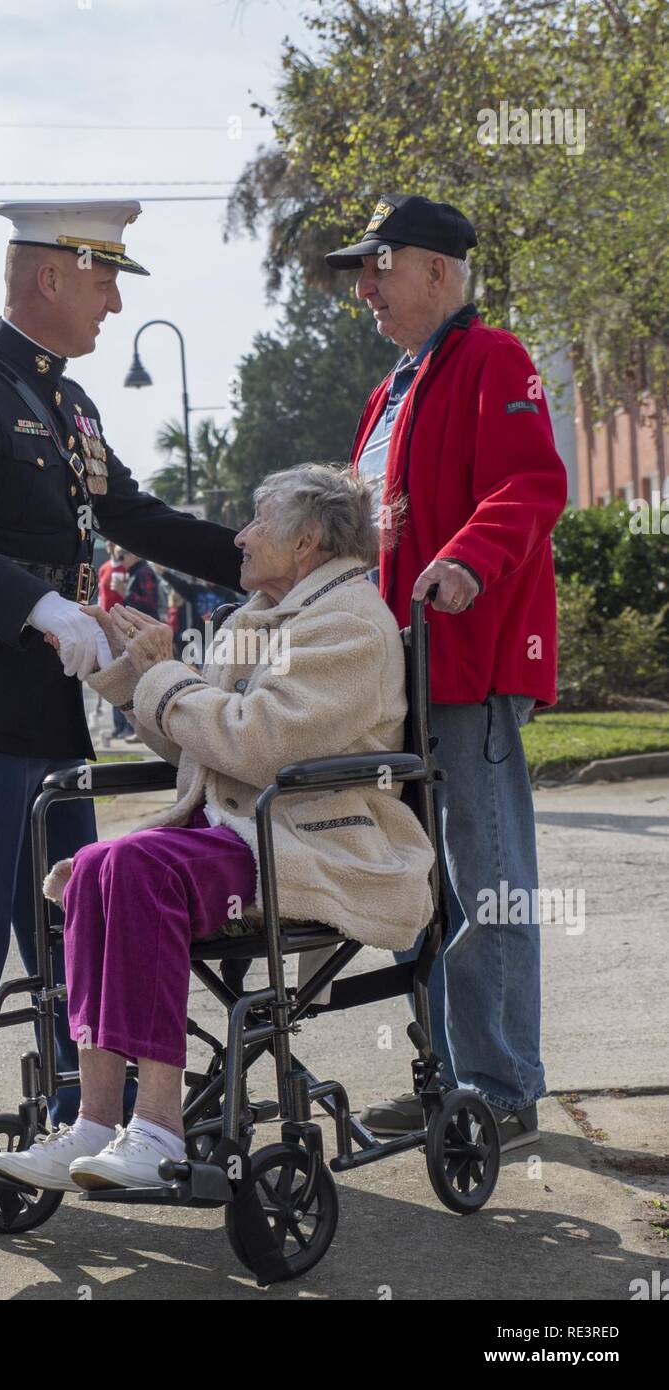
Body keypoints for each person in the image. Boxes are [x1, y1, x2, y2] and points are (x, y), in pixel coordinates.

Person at [0, 199, 244, 1199]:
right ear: (49, 278)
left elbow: (130, 512)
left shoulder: (71, 408)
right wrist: (37, 605)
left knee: (76, 920)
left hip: (45, 709)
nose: (116, 302)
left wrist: (260, 558)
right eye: (105, 278)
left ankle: (92, 1120)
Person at [0, 464, 435, 1192]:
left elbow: (257, 745)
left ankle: (158, 1128)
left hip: (312, 841)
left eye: (259, 519)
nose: (241, 535)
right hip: (242, 832)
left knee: (135, 870)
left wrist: (168, 676)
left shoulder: (347, 622)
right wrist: (130, 670)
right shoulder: (260, 617)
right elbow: (201, 741)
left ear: (308, 540)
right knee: (98, 863)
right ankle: (95, 1125)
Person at [325, 192, 568, 1151]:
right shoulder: (393, 388)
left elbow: (531, 482)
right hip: (399, 683)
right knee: (422, 889)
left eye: (379, 269)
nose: (367, 290)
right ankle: (448, 1082)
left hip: (467, 671)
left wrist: (468, 558)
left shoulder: (494, 359)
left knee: (488, 884)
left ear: (436, 270)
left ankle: (501, 1089)